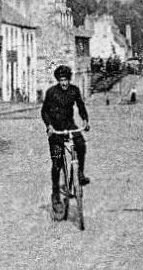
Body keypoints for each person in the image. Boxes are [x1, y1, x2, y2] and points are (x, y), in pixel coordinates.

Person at [41, 64, 90, 209]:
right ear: (58, 80)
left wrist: (85, 120)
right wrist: (48, 126)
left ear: (69, 79)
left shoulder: (74, 90)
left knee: (81, 144)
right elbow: (44, 111)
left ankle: (79, 173)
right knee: (57, 164)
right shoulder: (51, 92)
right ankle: (56, 195)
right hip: (55, 130)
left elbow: (81, 106)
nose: (64, 83)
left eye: (66, 80)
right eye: (62, 80)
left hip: (69, 126)